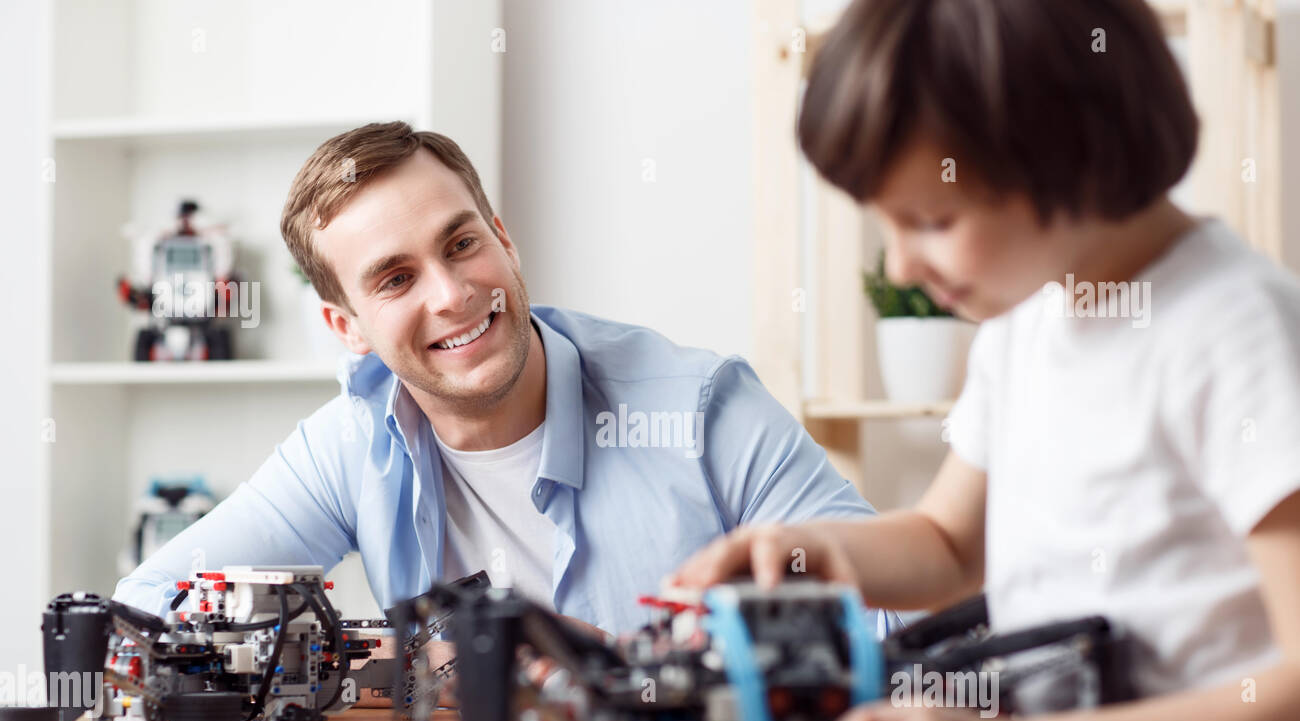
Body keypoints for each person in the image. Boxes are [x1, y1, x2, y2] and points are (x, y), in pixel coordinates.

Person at [672, 0, 1300, 721]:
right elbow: (944, 542)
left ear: (1070, 151)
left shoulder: (1235, 331)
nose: (898, 266)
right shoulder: (1026, 324)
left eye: (930, 221)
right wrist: (805, 549)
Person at [114, 122, 888, 639]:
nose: (450, 294)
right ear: (346, 330)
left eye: (461, 243)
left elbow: (899, 614)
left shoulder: (699, 407)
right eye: (394, 279)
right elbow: (145, 608)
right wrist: (395, 665)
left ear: (505, 242)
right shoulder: (349, 443)